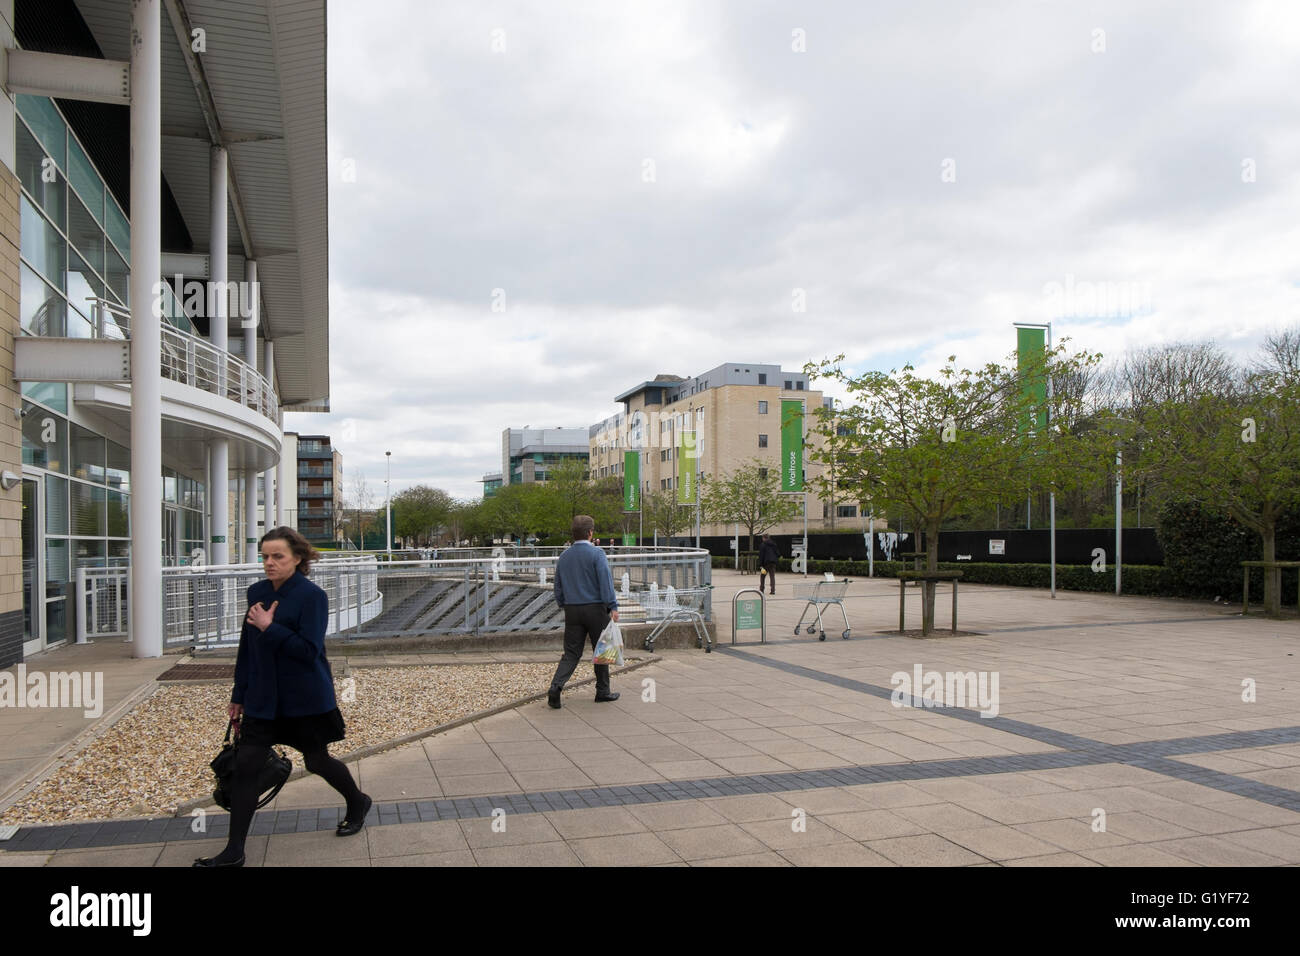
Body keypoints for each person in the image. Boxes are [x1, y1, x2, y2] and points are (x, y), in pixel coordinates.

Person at [194, 527, 371, 867]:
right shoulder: (256, 591)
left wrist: (269, 627)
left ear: (298, 558)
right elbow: (247, 648)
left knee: (317, 760)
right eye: (264, 557)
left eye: (278, 556)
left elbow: (307, 651)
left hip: (304, 697)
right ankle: (234, 852)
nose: (269, 563)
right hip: (262, 698)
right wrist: (238, 693)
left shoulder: (312, 596)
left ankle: (358, 801)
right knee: (246, 767)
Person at [548, 514, 620, 708]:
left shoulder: (564, 556)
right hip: (595, 609)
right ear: (590, 533)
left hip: (572, 610)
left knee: (571, 653)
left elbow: (558, 585)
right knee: (602, 650)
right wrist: (612, 606)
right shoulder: (597, 554)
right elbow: (605, 582)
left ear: (573, 534)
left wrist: (564, 604)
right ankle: (602, 691)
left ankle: (556, 687)